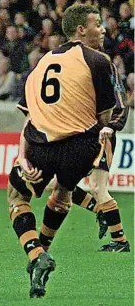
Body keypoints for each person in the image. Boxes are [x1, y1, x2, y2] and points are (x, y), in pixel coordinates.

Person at [7, 4, 118, 298]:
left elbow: (31, 117)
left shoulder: (41, 64)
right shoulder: (98, 61)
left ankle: (35, 254)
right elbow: (108, 119)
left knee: (18, 197)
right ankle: (41, 255)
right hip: (81, 146)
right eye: (98, 23)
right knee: (63, 194)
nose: (103, 28)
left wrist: (22, 155)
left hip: (41, 146)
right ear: (81, 29)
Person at [45, 28, 130, 252]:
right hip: (78, 136)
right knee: (58, 183)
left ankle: (120, 241)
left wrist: (111, 127)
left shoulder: (103, 65)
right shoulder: (73, 70)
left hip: (101, 135)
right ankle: (101, 211)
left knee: (96, 186)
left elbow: (121, 101)